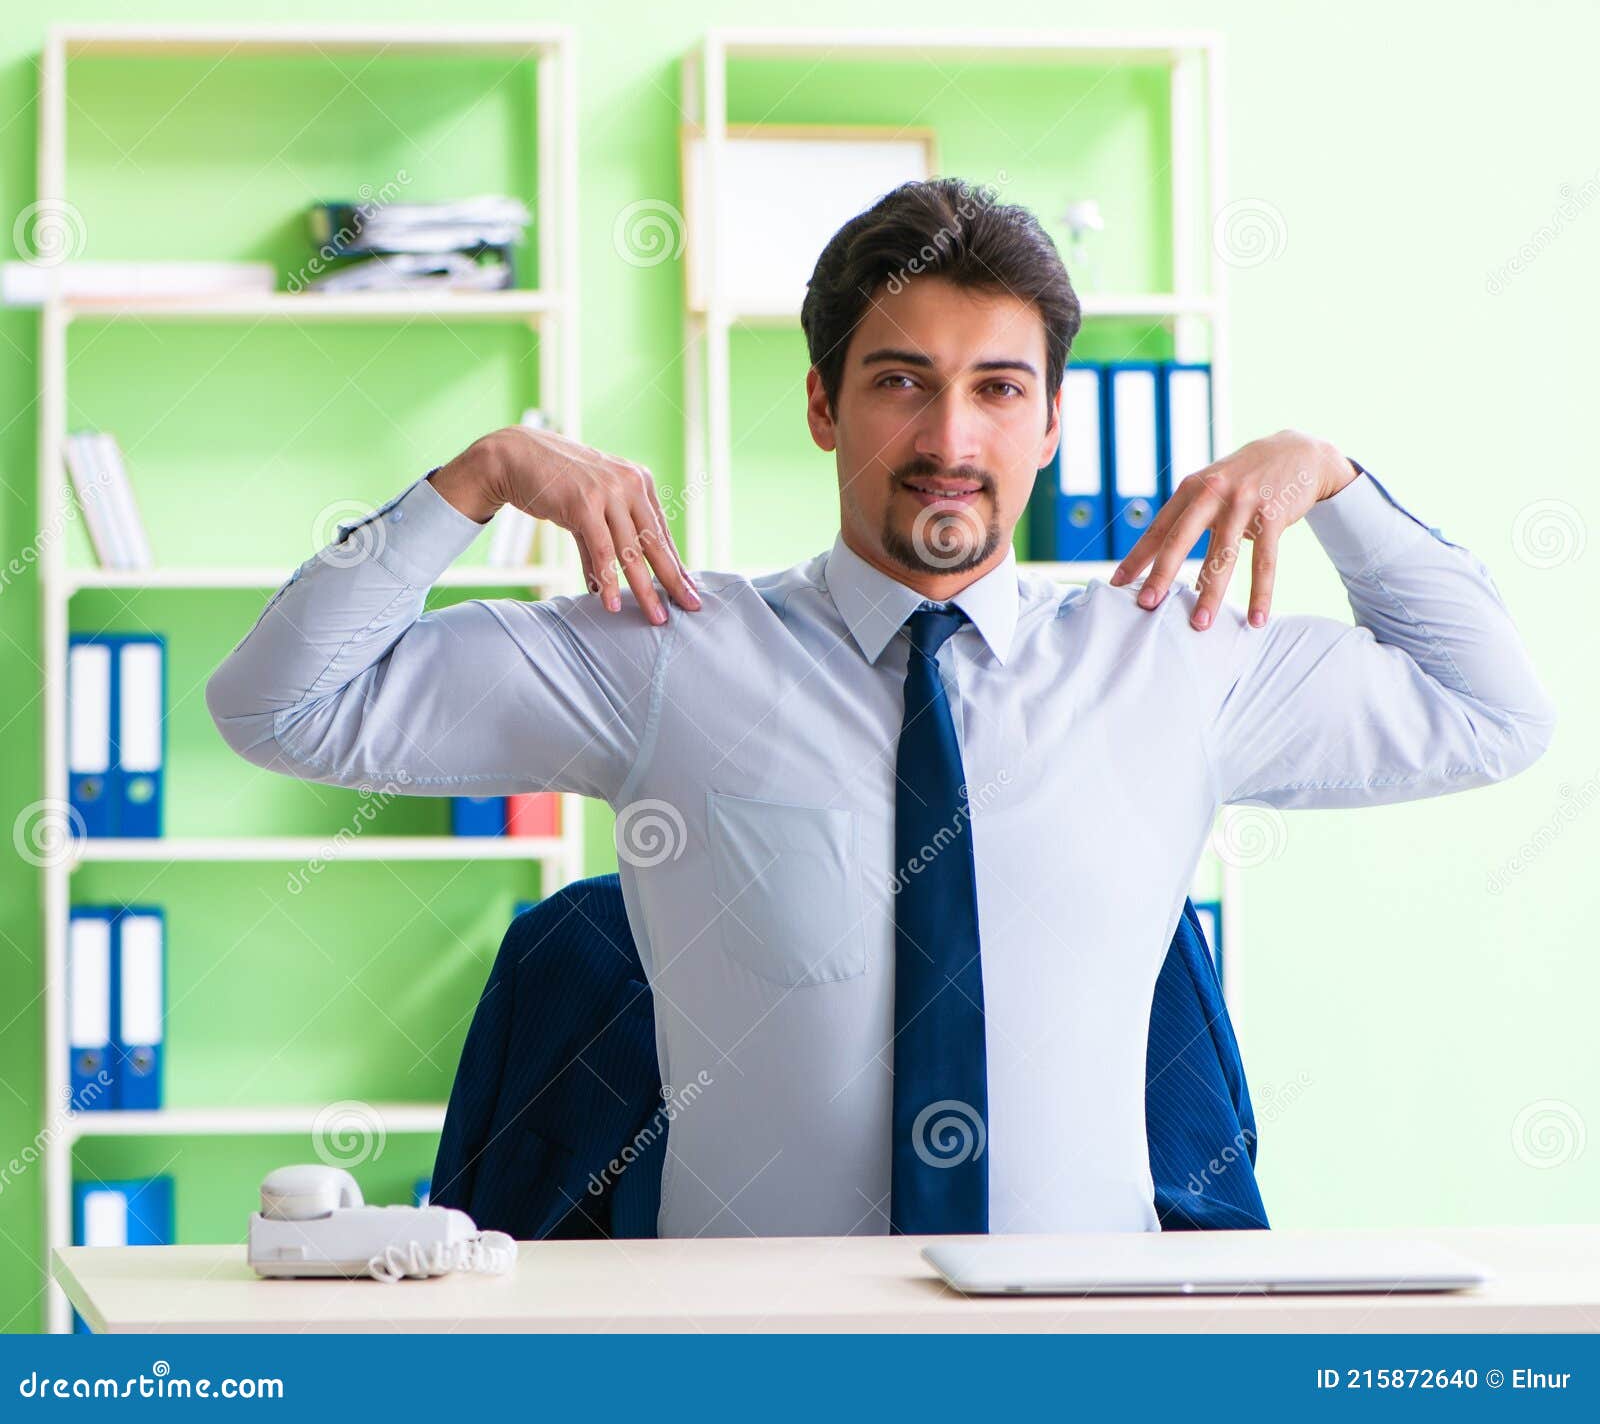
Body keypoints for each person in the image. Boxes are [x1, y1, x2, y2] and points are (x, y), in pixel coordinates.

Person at [207, 178, 1556, 1239]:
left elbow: (1494, 714)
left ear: (1053, 426)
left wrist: (1338, 484)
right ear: (821, 405)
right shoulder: (670, 643)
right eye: (901, 380)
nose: (950, 441)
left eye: (997, 390)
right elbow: (281, 710)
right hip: (748, 1352)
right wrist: (475, 479)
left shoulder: (1177, 656)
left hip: (1086, 1348)